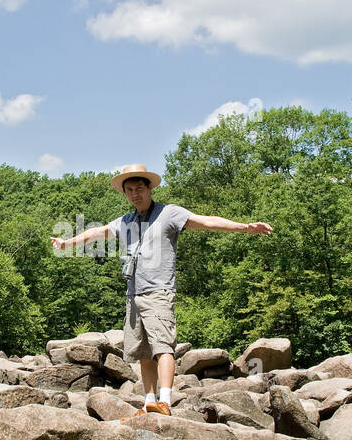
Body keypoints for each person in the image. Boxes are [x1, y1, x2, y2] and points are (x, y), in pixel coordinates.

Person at [49, 162, 272, 416]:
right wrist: (67, 243)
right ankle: (149, 403)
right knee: (144, 352)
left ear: (150, 188)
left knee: (163, 347)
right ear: (125, 193)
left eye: (139, 188)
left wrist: (245, 227)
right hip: (133, 295)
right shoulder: (125, 221)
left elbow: (207, 222)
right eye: (130, 189)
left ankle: (165, 401)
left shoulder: (169, 214)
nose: (135, 193)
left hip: (159, 292)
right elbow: (96, 232)